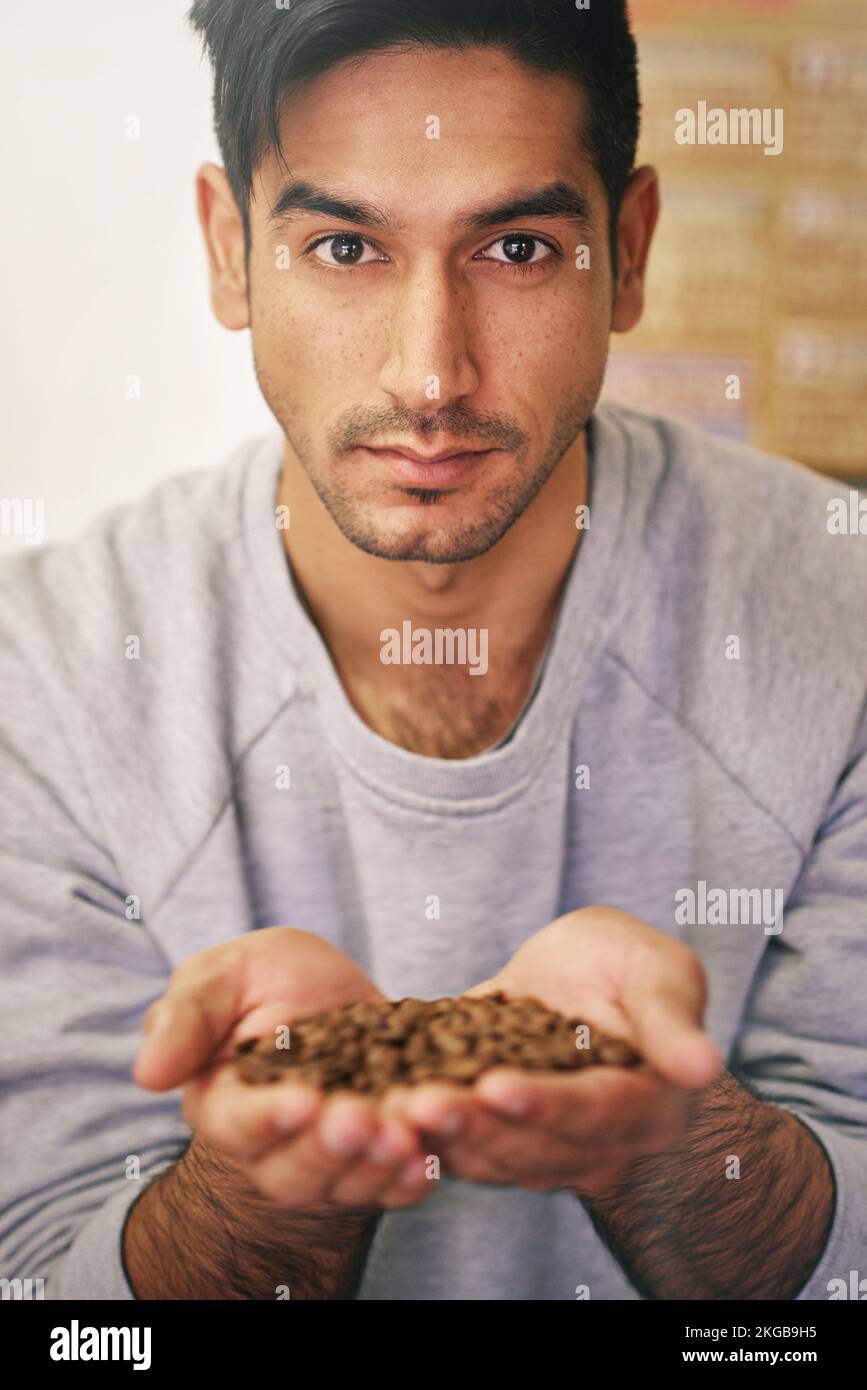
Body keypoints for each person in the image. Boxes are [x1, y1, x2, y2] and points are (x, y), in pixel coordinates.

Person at [2, 0, 865, 1302]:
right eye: (344, 244)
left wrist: (668, 1147)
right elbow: (46, 1290)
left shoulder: (844, 614)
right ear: (230, 250)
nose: (430, 374)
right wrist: (265, 1184)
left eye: (517, 246)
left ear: (627, 253)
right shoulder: (45, 672)